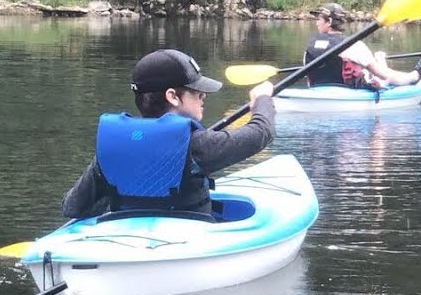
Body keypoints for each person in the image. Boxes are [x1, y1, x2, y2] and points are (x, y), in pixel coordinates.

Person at [62, 49, 276, 220]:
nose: (204, 97)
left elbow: (73, 207)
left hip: (126, 243)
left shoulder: (115, 145)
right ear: (172, 96)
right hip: (187, 244)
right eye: (197, 91)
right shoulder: (197, 145)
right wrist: (263, 100)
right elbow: (260, 133)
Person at [304, 9, 421, 89]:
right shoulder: (353, 45)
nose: (316, 22)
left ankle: (383, 61)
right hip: (348, 91)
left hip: (318, 90)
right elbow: (383, 76)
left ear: (329, 22)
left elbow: (310, 80)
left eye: (318, 19)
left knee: (370, 71)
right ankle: (414, 76)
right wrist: (380, 62)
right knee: (384, 73)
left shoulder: (310, 46)